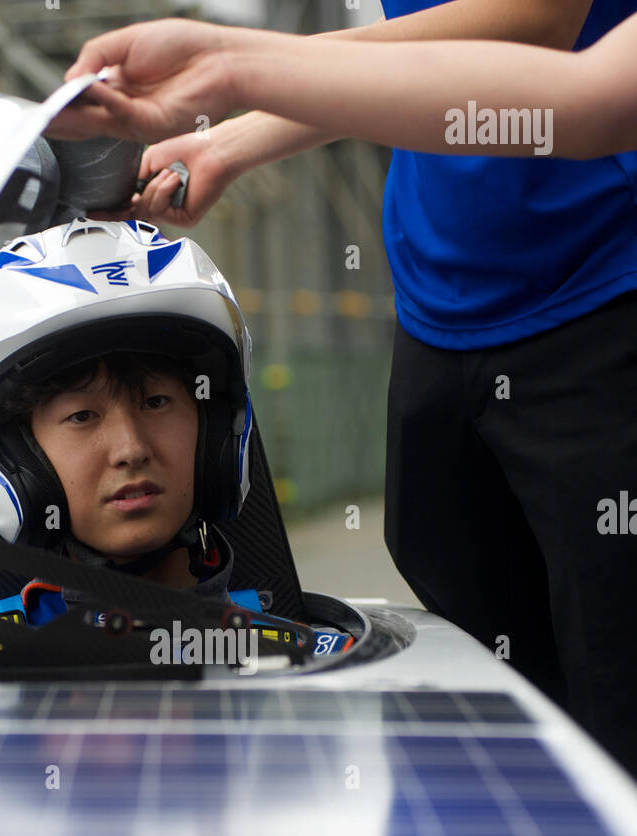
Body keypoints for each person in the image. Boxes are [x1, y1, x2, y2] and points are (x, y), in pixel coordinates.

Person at [56, 5, 637, 777]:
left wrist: (229, 64)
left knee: (612, 680)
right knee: (482, 683)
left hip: (602, 291)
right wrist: (232, 138)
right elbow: (423, 49)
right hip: (440, 302)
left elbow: (550, 50)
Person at [0, 217, 352, 668]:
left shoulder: (316, 659)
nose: (131, 449)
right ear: (16, 455)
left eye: (156, 402)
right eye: (82, 416)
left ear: (211, 428)